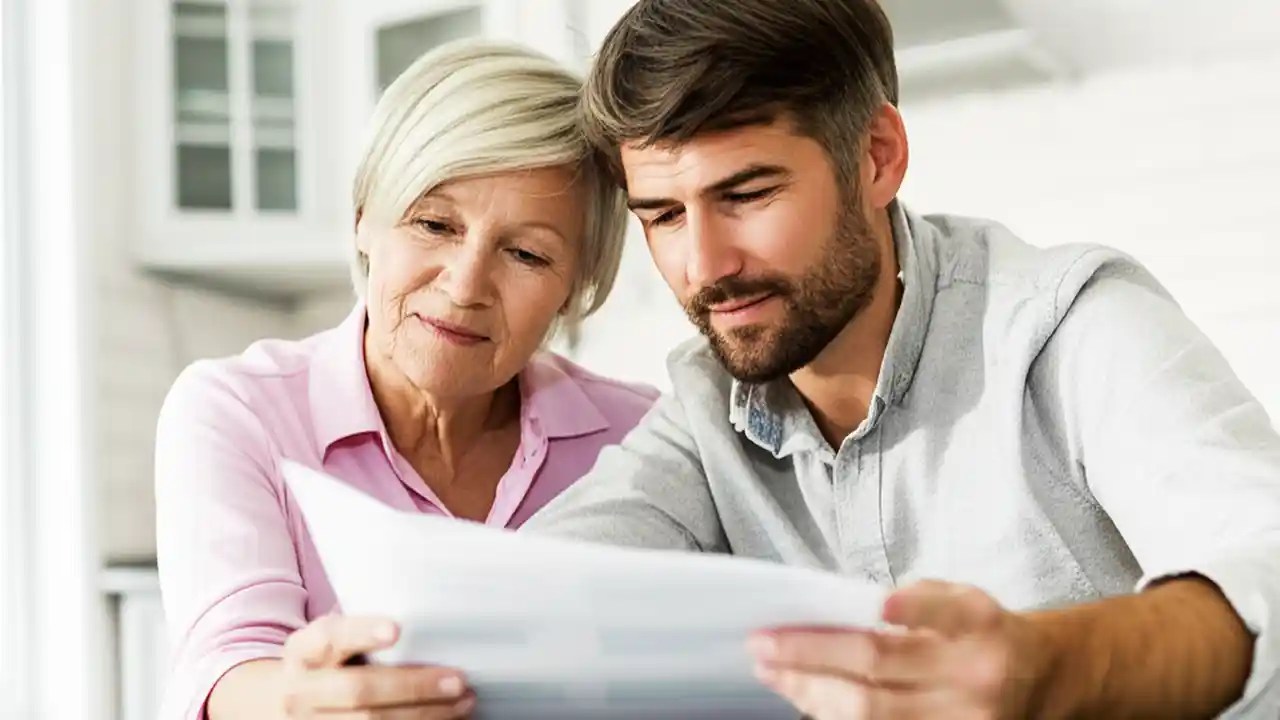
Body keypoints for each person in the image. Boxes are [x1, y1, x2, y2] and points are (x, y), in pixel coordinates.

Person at [519, 0, 1280, 718]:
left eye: (747, 193)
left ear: (877, 157)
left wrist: (1046, 667)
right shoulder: (702, 406)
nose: (704, 264)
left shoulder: (1069, 327)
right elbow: (532, 592)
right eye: (663, 216)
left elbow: (1263, 566)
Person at [153, 39, 657, 719]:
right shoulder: (236, 411)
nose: (465, 283)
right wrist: (301, 702)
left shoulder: (641, 440)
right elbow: (231, 666)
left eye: (526, 253)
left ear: (575, 287)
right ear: (365, 220)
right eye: (433, 223)